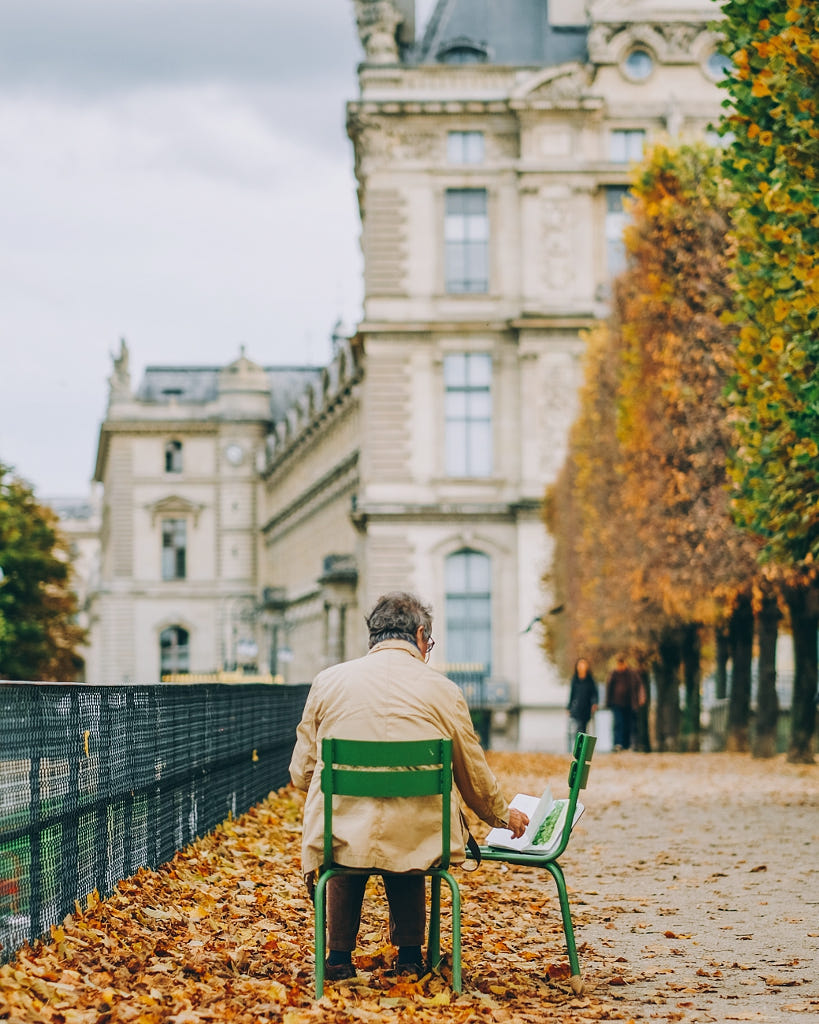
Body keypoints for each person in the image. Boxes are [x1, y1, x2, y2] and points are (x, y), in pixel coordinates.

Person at [289, 591, 528, 981]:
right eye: (428, 644)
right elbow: (473, 773)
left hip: (342, 833)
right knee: (410, 835)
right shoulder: (444, 691)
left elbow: (301, 773)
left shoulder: (328, 682)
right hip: (420, 838)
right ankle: (411, 957)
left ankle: (336, 958)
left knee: (347, 838)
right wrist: (501, 816)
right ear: (420, 635)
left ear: (373, 636)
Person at [606, 654, 641, 751]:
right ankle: (618, 743)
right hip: (616, 704)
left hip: (629, 703)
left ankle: (627, 744)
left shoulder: (631, 674)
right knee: (618, 724)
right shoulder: (614, 674)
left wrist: (640, 699)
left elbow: (639, 686)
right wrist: (608, 702)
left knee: (628, 725)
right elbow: (609, 688)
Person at [567, 657, 598, 750]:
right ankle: (578, 747)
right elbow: (572, 694)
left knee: (584, 728)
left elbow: (594, 693)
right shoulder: (575, 679)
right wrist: (568, 707)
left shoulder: (590, 680)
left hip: (586, 707)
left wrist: (595, 703)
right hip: (576, 708)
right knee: (577, 727)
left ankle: (583, 748)